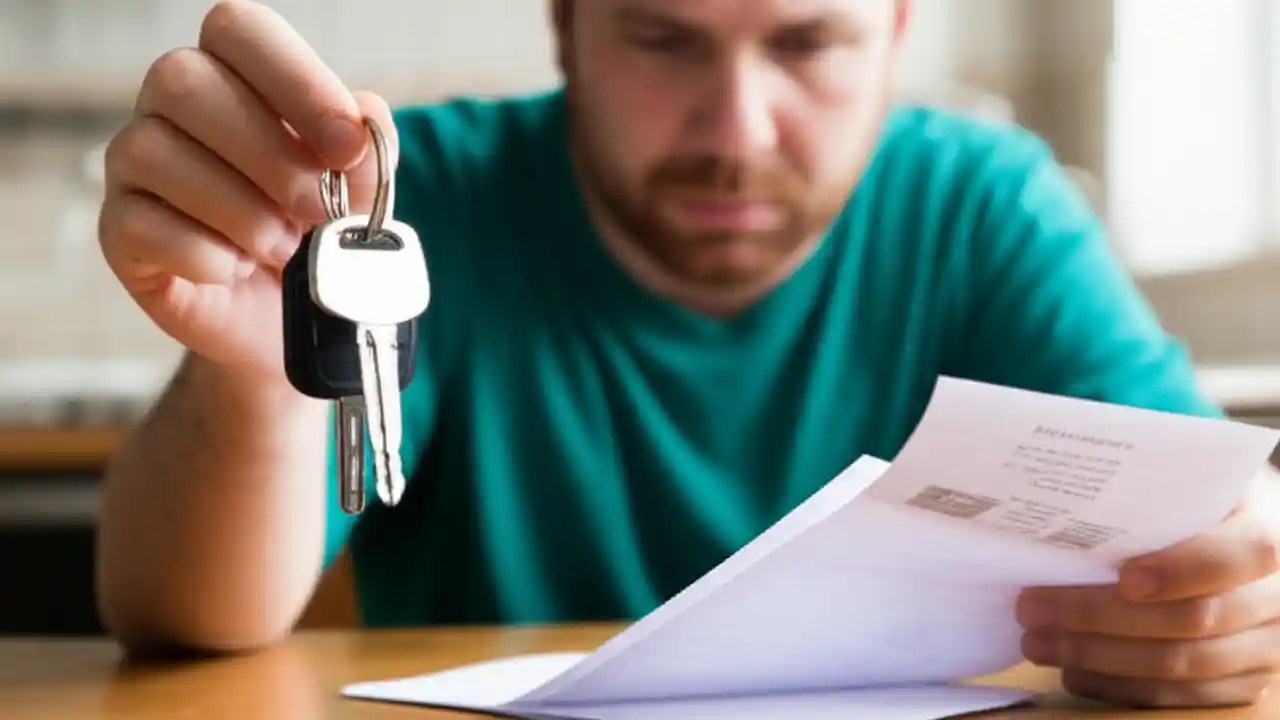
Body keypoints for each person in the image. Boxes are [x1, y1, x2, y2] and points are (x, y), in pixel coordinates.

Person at [94, 0, 1280, 708]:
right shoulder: (414, 198)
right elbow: (178, 620)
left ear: (896, 33)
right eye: (663, 38)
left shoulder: (982, 208)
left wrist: (1239, 587)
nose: (734, 131)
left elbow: (1220, 515)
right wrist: (264, 374)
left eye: (807, 42)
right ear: (564, 24)